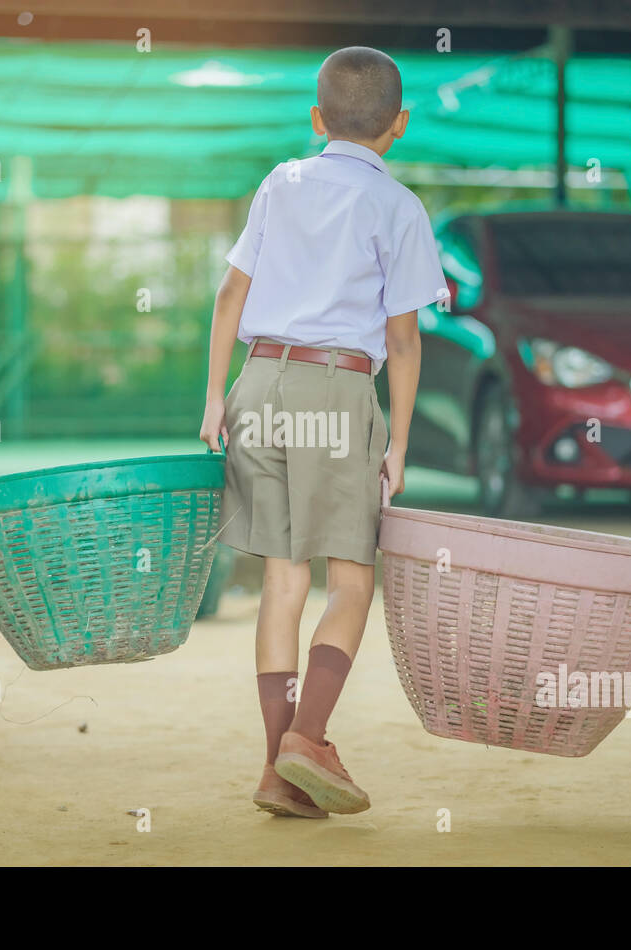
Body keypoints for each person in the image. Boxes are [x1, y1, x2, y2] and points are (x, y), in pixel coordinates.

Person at [198, 47, 446, 817]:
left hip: (260, 382)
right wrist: (399, 441)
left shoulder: (281, 182)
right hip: (337, 388)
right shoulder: (399, 207)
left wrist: (215, 397)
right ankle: (308, 737)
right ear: (398, 126)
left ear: (317, 120)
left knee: (282, 579)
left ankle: (278, 769)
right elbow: (403, 341)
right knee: (351, 577)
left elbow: (231, 292)